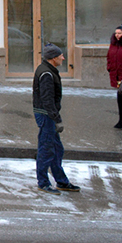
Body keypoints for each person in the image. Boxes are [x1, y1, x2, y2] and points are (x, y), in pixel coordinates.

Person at [33, 43, 80, 195]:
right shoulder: (46, 73)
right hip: (46, 115)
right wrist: (56, 119)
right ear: (54, 58)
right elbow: (47, 100)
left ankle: (61, 181)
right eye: (61, 55)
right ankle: (43, 182)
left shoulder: (48, 70)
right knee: (46, 149)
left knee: (56, 149)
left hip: (47, 114)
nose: (63, 58)